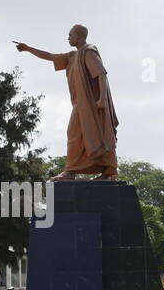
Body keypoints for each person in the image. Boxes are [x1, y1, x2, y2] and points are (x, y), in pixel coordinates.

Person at [16, 24, 118, 180]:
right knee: (82, 135)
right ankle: (83, 170)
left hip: (92, 104)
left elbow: (101, 74)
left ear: (79, 36)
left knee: (80, 133)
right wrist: (28, 48)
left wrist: (102, 98)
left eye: (70, 35)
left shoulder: (88, 51)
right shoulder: (73, 56)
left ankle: (78, 171)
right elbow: (50, 56)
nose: (68, 38)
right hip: (81, 103)